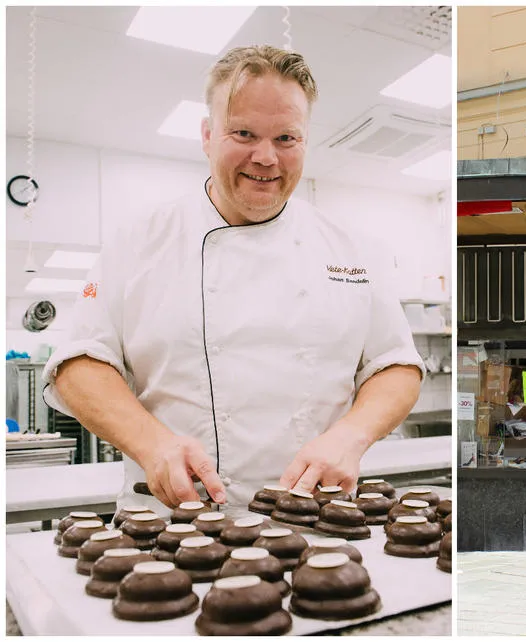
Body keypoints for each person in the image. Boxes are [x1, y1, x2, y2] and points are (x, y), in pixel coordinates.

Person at [42, 45, 425, 513]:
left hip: (315, 523)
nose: (266, 157)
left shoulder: (352, 249)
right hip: (172, 526)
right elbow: (79, 365)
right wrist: (151, 443)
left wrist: (351, 435)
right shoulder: (138, 241)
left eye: (286, 138)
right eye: (243, 133)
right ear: (207, 135)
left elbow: (396, 366)